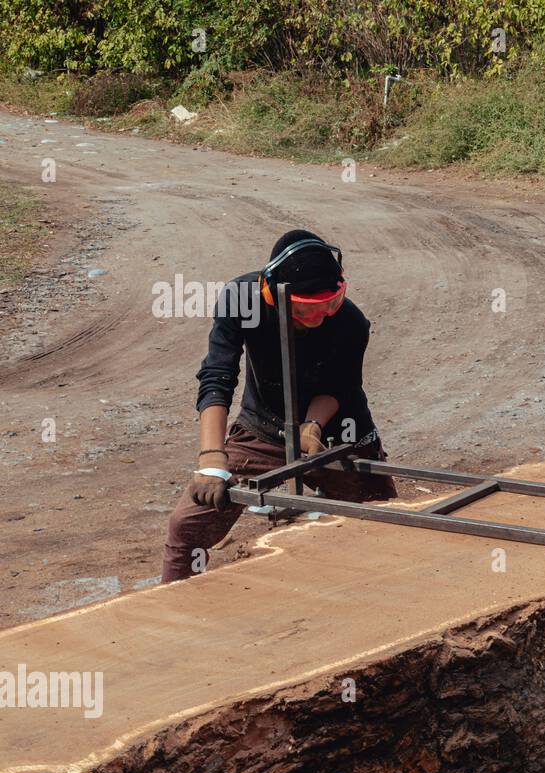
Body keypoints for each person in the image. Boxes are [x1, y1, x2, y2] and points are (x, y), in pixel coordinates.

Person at [161, 229, 396, 582]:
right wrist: (211, 459)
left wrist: (312, 426)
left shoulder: (350, 322)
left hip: (341, 432)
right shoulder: (241, 300)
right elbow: (217, 376)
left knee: (388, 525)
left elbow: (341, 385)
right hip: (263, 427)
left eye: (329, 304)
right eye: (306, 309)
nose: (320, 317)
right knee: (186, 528)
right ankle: (171, 610)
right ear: (272, 295)